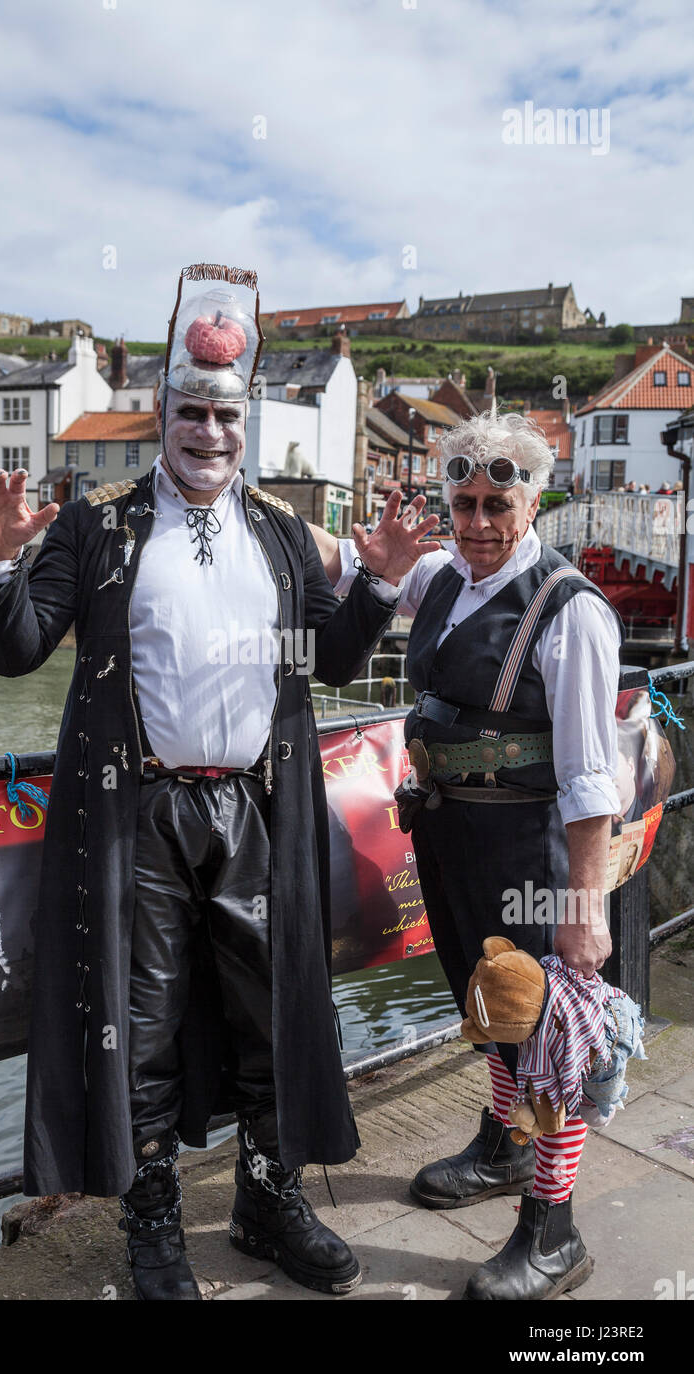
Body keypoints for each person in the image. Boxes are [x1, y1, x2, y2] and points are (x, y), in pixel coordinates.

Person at [0, 263, 420, 1301]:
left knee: (271, 1013)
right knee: (145, 1016)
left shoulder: (278, 532)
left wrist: (380, 582)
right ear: (160, 413)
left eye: (223, 414)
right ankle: (155, 1215)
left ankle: (264, 1196)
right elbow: (20, 649)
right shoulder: (101, 523)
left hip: (257, 807)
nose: (207, 431)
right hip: (140, 814)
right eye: (190, 411)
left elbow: (332, 662)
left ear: (241, 426)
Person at [311, 411, 626, 1300]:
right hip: (451, 837)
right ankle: (505, 1145)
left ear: (533, 503)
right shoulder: (445, 579)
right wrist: (229, 488)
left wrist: (584, 910)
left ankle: (553, 1229)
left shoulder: (572, 612)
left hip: (531, 853)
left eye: (498, 502)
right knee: (486, 1007)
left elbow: (590, 777)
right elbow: (343, 561)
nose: (479, 521)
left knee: (549, 1030)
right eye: (465, 501)